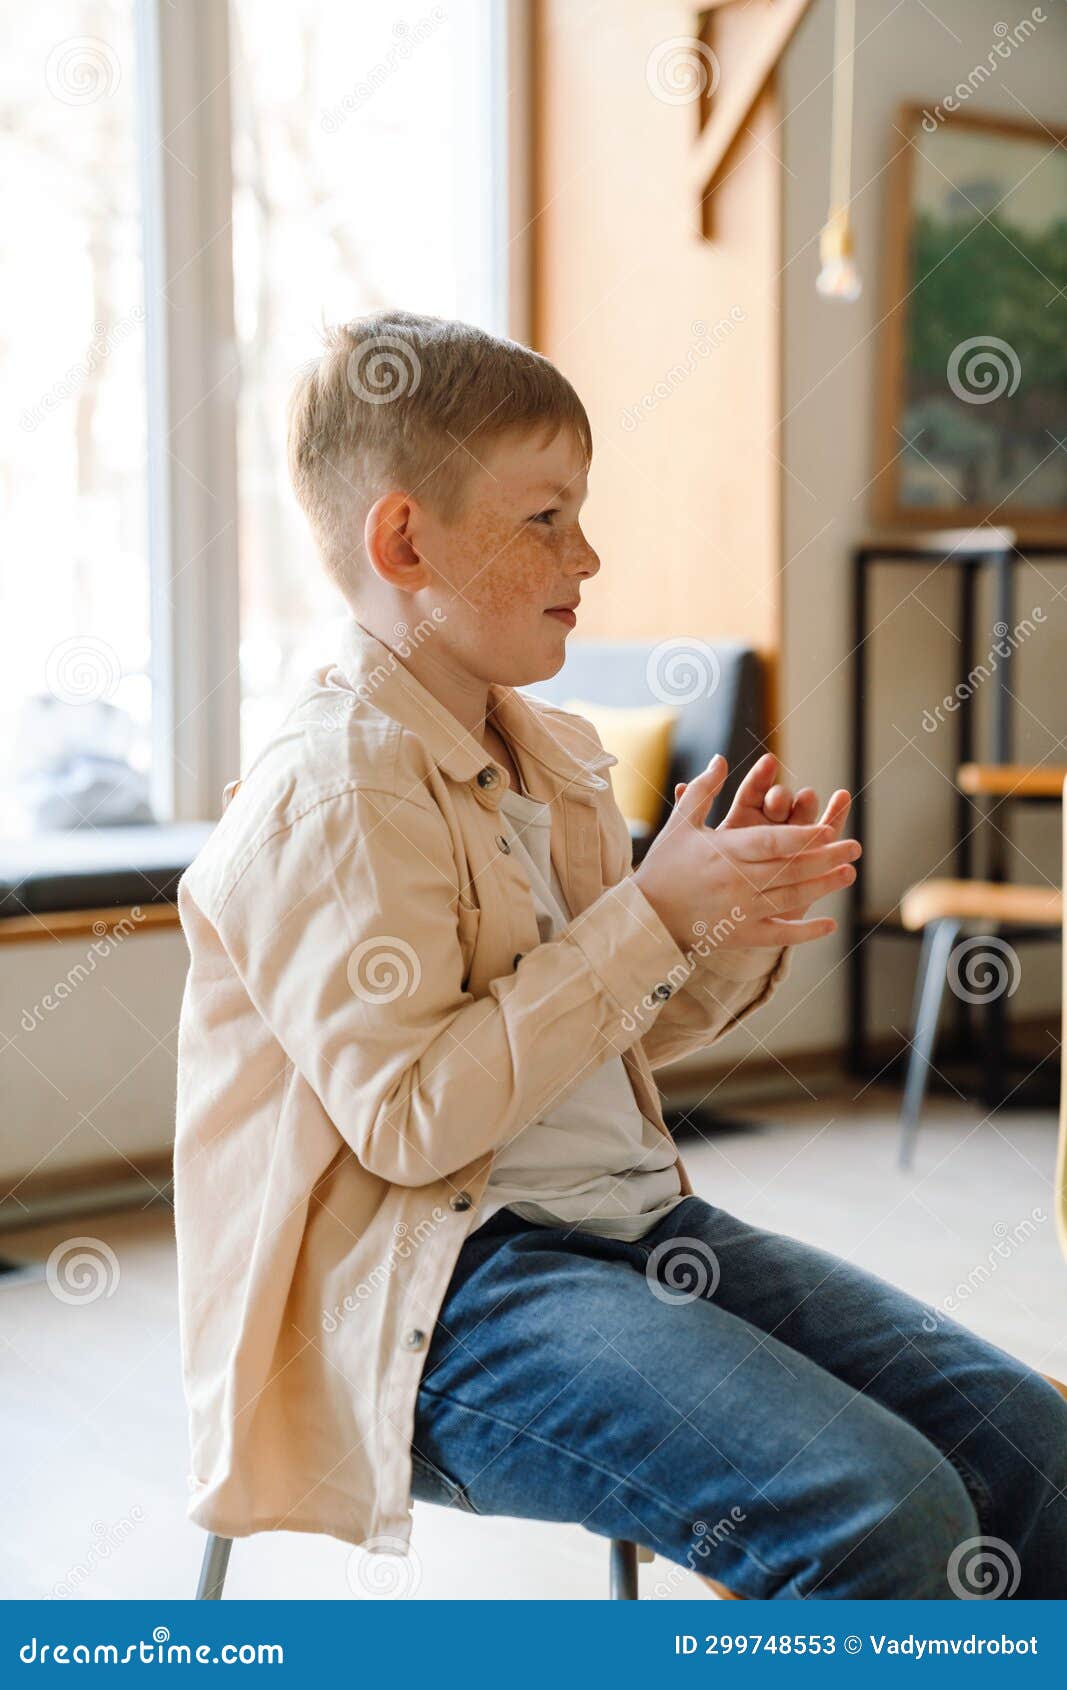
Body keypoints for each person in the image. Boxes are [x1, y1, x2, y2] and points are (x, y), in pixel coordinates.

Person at [173, 311, 1067, 1598]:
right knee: (881, 1515)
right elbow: (418, 1121)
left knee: (1032, 1450)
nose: (584, 553)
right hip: (442, 1305)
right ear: (403, 539)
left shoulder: (551, 754)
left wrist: (708, 922)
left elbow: (607, 1040)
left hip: (634, 1225)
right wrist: (646, 917)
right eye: (544, 516)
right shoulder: (332, 791)